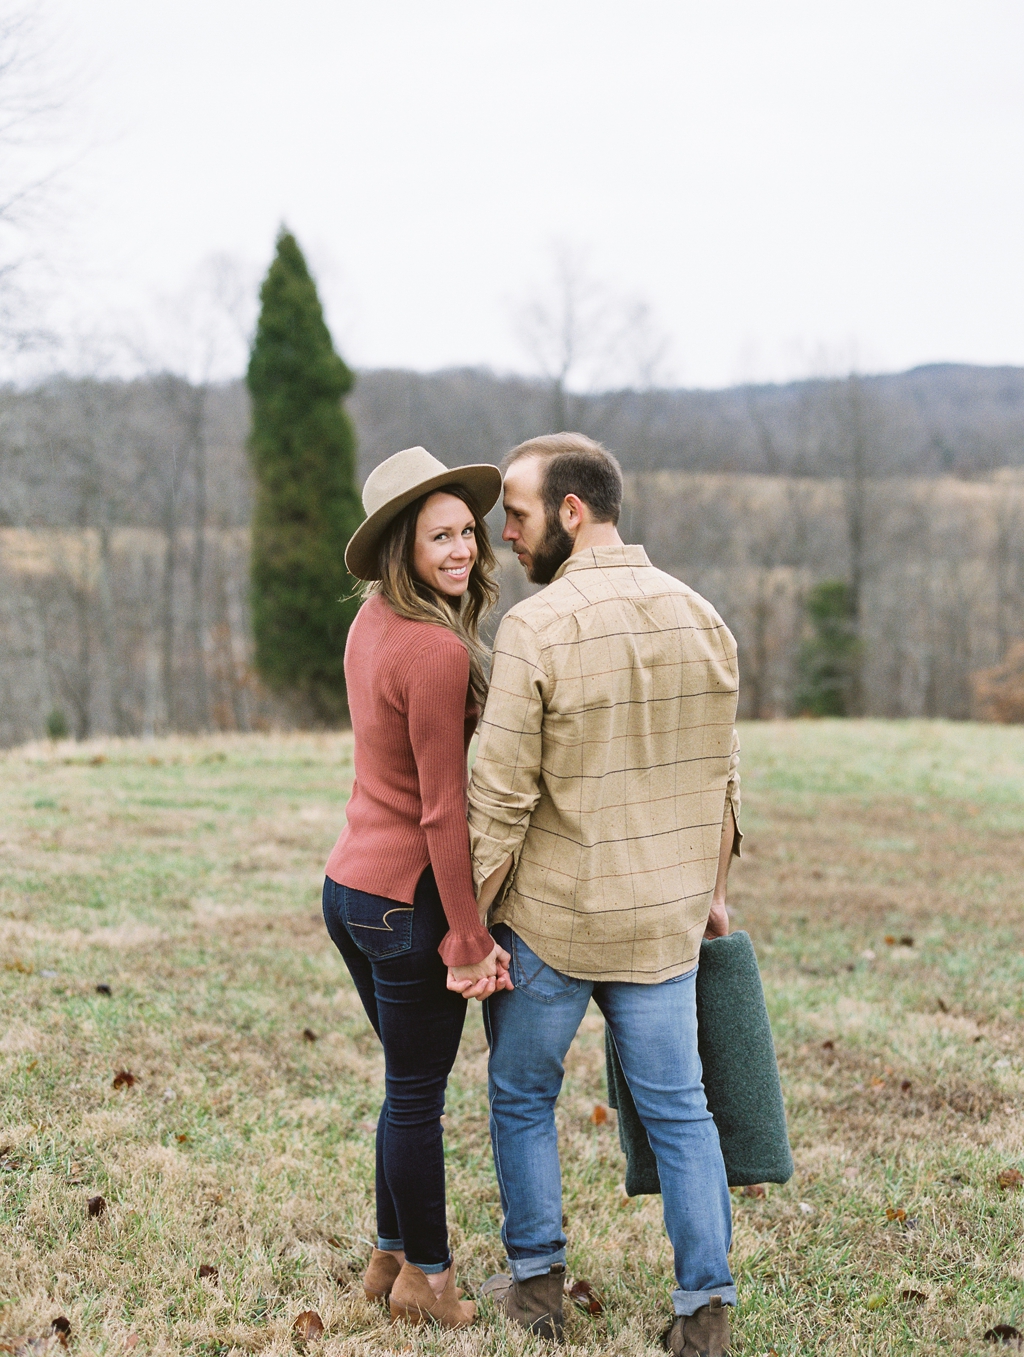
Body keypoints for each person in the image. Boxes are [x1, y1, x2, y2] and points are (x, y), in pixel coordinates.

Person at [468, 433, 742, 1357]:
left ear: (572, 510)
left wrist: (470, 920)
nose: (505, 534)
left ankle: (537, 1285)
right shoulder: (703, 616)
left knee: (521, 1094)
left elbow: (500, 797)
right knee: (681, 1111)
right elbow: (723, 781)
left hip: (555, 916)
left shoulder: (535, 627)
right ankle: (705, 1313)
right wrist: (713, 894)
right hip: (663, 923)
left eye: (517, 514)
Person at [322, 446, 512, 1330]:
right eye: (440, 536)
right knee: (416, 1097)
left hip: (348, 887)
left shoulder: (372, 620)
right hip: (403, 900)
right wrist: (467, 937)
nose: (463, 548)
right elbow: (442, 811)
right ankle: (429, 1282)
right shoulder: (435, 649)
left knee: (404, 1086)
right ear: (403, 544)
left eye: (468, 531)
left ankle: (389, 1257)